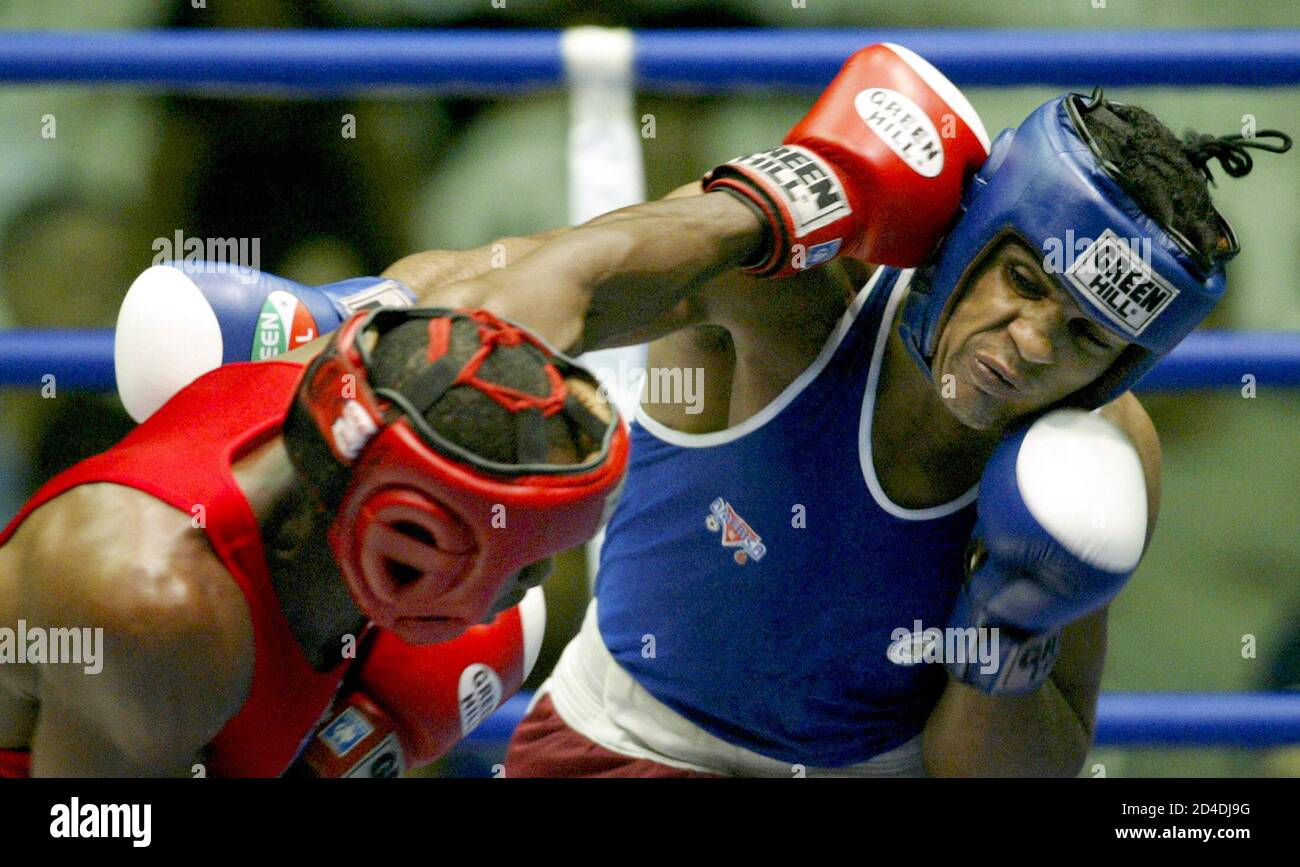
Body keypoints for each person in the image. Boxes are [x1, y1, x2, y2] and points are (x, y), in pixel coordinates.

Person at [97, 43, 1291, 777]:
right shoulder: (802, 292)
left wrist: (1014, 626)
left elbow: (1003, 773)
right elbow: (543, 271)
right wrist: (756, 207)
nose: (1031, 347)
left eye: (1086, 337)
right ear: (969, 240)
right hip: (629, 749)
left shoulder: (1091, 463)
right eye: (1024, 283)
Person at [0, 294, 628, 776]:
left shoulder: (400, 360)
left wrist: (728, 204)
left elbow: (588, 272)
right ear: (411, 534)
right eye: (522, 562)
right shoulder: (151, 608)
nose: (538, 581)